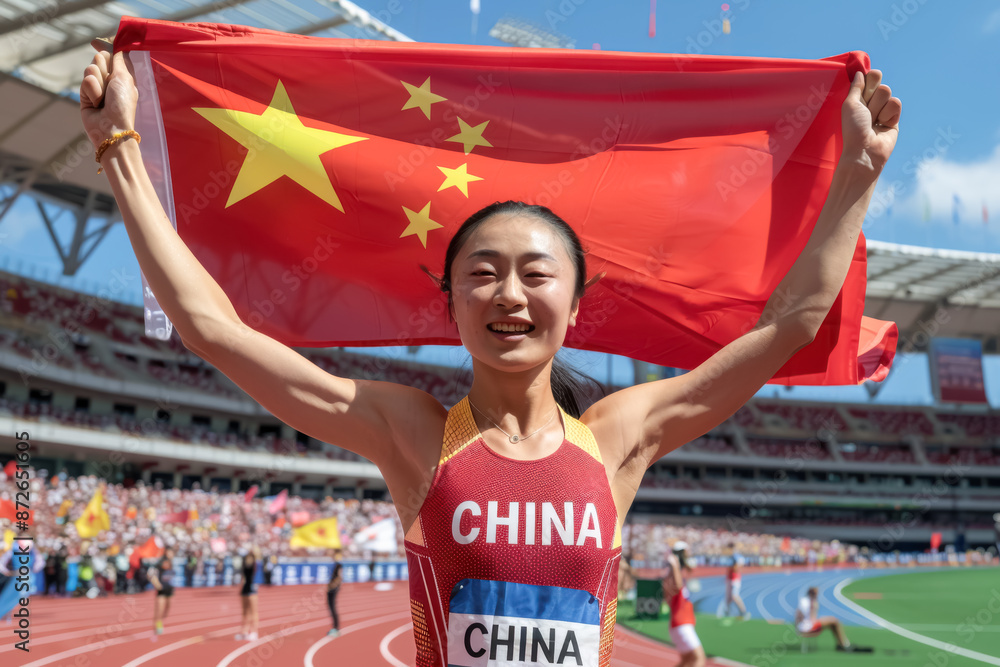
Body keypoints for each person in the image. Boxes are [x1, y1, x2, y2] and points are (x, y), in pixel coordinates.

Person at [79, 44, 900, 665]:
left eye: (536, 274)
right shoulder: (410, 433)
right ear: (450, 304)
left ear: (575, 307)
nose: (509, 294)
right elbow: (213, 327)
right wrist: (119, 145)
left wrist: (858, 173)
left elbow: (789, 324)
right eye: (483, 273)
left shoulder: (619, 437)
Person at [663, 546, 705, 667]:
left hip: (678, 626)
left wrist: (677, 566)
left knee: (686, 661)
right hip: (682, 626)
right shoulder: (673, 579)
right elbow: (678, 585)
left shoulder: (669, 577)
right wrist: (675, 566)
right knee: (699, 659)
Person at [795, 587, 863, 652]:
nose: (817, 595)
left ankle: (841, 644)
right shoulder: (812, 602)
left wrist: (797, 628)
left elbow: (798, 615)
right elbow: (813, 619)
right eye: (816, 593)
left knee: (832, 623)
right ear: (812, 593)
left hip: (802, 627)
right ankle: (844, 644)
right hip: (809, 627)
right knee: (835, 621)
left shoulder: (803, 600)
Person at [148, 547, 176, 637]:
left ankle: (159, 622)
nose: (172, 554)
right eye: (170, 552)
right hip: (161, 591)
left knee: (167, 610)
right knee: (159, 610)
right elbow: (151, 574)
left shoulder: (172, 563)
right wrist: (156, 584)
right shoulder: (162, 562)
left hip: (169, 590)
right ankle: (158, 626)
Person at [718, 544, 750, 620]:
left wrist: (734, 566)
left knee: (735, 596)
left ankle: (744, 612)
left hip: (735, 579)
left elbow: (738, 567)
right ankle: (728, 614)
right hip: (729, 579)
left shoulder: (735, 557)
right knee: (728, 599)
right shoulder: (730, 557)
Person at [235, 547, 260, 641]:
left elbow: (257, 556)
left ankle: (254, 631)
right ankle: (244, 631)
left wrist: (253, 552)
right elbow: (243, 577)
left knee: (253, 611)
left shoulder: (255, 564)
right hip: (245, 588)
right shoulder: (244, 564)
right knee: (244, 612)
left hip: (252, 588)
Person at [327, 549, 342, 637]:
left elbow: (340, 578)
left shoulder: (338, 565)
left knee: (332, 608)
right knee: (331, 608)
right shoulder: (333, 564)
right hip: (331, 588)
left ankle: (336, 628)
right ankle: (335, 627)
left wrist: (333, 586)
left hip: (333, 589)